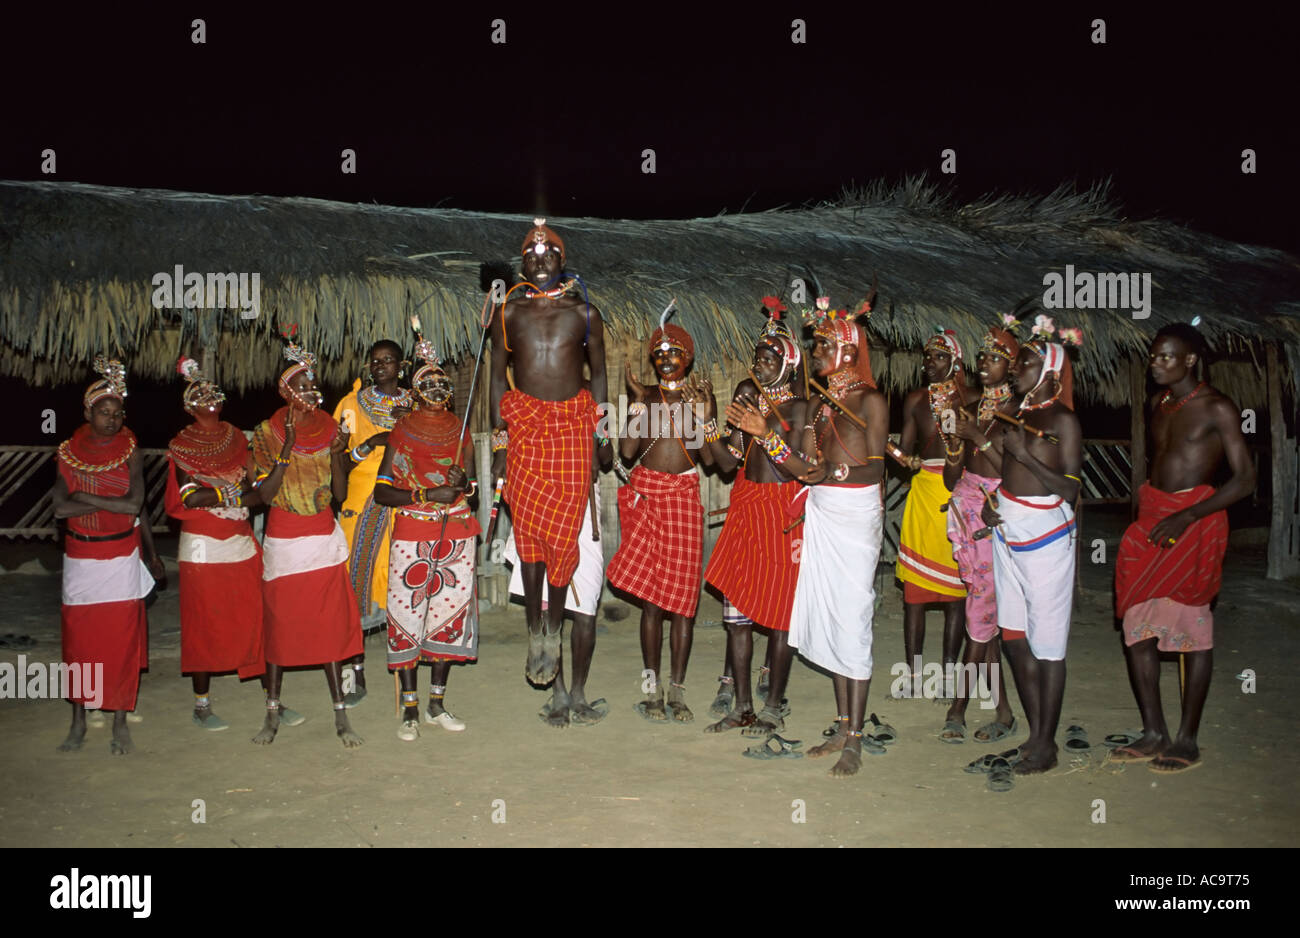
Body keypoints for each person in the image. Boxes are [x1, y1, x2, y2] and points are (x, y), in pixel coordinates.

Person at [1111, 323, 1254, 772]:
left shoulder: (1218, 408)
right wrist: (1151, 504)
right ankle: (1154, 731)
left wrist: (1188, 514)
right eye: (1154, 356)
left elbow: (1245, 479)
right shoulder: (1161, 404)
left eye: (1166, 357)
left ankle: (1187, 738)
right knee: (1136, 622)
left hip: (1195, 520)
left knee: (1191, 628)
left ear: (1190, 360)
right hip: (1154, 517)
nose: (1156, 364)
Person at [489, 218, 610, 692]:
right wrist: (500, 442)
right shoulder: (508, 313)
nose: (540, 259)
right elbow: (498, 381)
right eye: (531, 254)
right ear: (524, 262)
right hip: (524, 427)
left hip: (571, 429)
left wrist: (601, 434)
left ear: (563, 260)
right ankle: (534, 630)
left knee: (563, 536)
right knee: (530, 537)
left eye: (549, 253)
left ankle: (555, 629)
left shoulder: (585, 313)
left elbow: (598, 376)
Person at [166, 357, 303, 731]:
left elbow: (256, 496)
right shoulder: (180, 445)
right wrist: (232, 493)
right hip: (202, 548)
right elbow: (191, 499)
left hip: (240, 543)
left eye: (213, 392)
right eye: (199, 394)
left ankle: (272, 698)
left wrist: (222, 494)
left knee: (255, 619)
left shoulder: (236, 440)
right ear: (188, 406)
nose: (209, 398)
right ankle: (201, 705)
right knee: (203, 623)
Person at [700, 297, 808, 737]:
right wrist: (708, 420)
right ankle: (742, 705)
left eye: (769, 360)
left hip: (783, 510)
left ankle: (773, 706)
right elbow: (726, 462)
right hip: (746, 504)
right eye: (757, 359)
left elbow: (801, 466)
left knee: (781, 612)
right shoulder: (748, 396)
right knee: (737, 614)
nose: (759, 367)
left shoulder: (802, 409)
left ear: (787, 364)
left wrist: (766, 434)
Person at [980, 318, 1083, 775]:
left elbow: (1071, 489)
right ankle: (1036, 730)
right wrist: (991, 506)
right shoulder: (1019, 415)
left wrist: (1022, 455)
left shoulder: (1062, 419)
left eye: (1027, 361)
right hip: (1007, 530)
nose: (1017, 367)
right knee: (1014, 637)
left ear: (1052, 375)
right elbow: (1007, 478)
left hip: (1045, 535)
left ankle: (1046, 743)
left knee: (1048, 644)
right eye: (1019, 360)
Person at [250, 337, 364, 747]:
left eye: (313, 383)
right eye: (301, 383)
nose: (310, 390)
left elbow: (337, 493)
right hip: (283, 538)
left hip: (322, 537)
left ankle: (340, 716)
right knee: (280, 629)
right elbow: (263, 496)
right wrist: (287, 446)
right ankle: (272, 714)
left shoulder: (332, 428)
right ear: (286, 390)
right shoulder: (266, 432)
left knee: (328, 627)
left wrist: (337, 455)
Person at [372, 338, 480, 741]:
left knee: (445, 620)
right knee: (408, 619)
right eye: (428, 385)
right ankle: (410, 709)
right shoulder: (401, 430)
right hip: (413, 533)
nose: (437, 391)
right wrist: (425, 494)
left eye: (442, 385)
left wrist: (462, 483)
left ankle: (436, 703)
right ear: (415, 392)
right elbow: (383, 492)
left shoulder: (461, 430)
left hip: (456, 533)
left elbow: (472, 493)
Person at [608, 316, 711, 723]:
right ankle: (651, 691)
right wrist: (636, 404)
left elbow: (706, 458)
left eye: (675, 354)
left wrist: (702, 415)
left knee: (683, 606)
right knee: (652, 604)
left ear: (688, 359)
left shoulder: (699, 399)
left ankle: (678, 692)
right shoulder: (647, 399)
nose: (667, 359)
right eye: (660, 354)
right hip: (648, 496)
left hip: (683, 499)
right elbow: (629, 452)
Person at [52, 357, 153, 754]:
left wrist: (85, 496)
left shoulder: (132, 452)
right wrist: (112, 501)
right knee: (80, 640)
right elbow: (60, 509)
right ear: (87, 412)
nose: (111, 420)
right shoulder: (66, 453)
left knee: (120, 640)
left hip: (120, 558)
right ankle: (78, 719)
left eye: (117, 413)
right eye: (103, 412)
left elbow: (134, 506)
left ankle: (119, 720)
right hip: (80, 557)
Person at [940, 324, 1020, 743]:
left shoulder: (1018, 413)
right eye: (983, 357)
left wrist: (976, 438)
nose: (984, 364)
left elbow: (1017, 473)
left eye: (994, 358)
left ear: (1013, 366)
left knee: (980, 614)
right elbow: (953, 477)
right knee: (984, 616)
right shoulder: (974, 408)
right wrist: (955, 442)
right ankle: (1004, 711)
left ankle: (958, 709)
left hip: (997, 515)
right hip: (967, 512)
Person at [333, 339, 415, 706]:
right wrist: (373, 442)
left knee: (403, 581)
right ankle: (355, 670)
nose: (380, 365)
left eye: (388, 360)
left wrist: (407, 429)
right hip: (362, 502)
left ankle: (405, 668)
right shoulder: (352, 405)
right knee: (355, 584)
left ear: (402, 364)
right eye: (375, 361)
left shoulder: (417, 403)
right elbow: (339, 462)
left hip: (404, 501)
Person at [895, 330, 971, 693]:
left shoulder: (973, 399)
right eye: (927, 357)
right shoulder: (915, 400)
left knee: (957, 592)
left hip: (961, 494)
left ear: (955, 362)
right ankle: (912, 673)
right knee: (915, 592)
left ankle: (949, 672)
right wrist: (894, 453)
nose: (930, 364)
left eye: (939, 357)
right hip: (924, 493)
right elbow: (905, 450)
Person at [502, 484, 607, 727]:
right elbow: (505, 448)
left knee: (587, 607)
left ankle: (578, 693)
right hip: (542, 494)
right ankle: (559, 694)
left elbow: (604, 457)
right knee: (546, 600)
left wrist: (597, 444)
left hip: (583, 502)